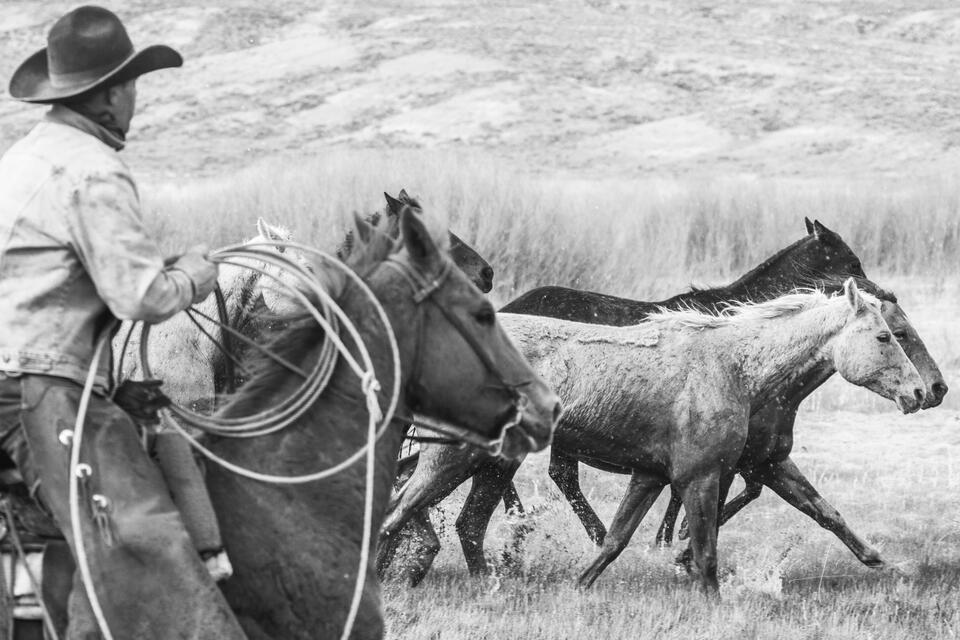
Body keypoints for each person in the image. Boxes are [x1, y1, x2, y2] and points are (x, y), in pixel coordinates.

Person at [0, 6, 247, 639]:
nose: (135, 99)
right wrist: (195, 272)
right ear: (109, 93)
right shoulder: (91, 168)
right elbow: (141, 299)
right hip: (38, 389)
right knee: (145, 537)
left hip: (19, 375)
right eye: (132, 85)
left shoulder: (21, 158)